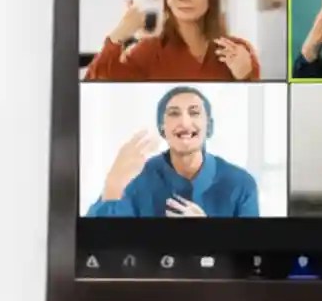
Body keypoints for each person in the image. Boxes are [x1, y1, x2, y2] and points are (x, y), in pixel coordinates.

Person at [86, 86, 259, 217]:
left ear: (209, 126)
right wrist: (112, 187)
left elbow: (251, 255)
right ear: (162, 128)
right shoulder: (137, 179)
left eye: (194, 113)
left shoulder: (241, 184)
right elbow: (98, 246)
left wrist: (208, 233)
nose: (184, 122)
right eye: (174, 114)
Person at [84, 0, 261, 81]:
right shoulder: (148, 52)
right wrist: (119, 33)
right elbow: (95, 84)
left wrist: (246, 75)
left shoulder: (238, 50)